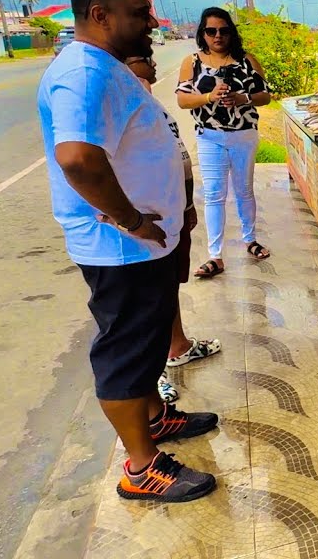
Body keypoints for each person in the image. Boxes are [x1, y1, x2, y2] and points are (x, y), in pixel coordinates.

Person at [38, 0, 218, 503]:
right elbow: (77, 159)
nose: (152, 22)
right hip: (121, 247)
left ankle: (155, 418)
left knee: (149, 338)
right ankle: (141, 468)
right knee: (125, 353)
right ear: (100, 15)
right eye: (139, 14)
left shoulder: (105, 66)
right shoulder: (83, 74)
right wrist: (133, 220)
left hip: (144, 243)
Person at [124, 53, 223, 404]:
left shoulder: (147, 100)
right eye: (143, 58)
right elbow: (92, 165)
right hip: (142, 224)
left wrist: (186, 205)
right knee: (143, 302)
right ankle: (151, 379)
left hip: (169, 214)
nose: (153, 63)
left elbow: (174, 153)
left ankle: (177, 346)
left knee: (166, 290)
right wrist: (127, 219)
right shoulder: (119, 103)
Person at [176, 7, 272, 279]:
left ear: (231, 32)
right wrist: (209, 97)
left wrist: (243, 98)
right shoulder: (192, 62)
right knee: (213, 195)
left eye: (223, 30)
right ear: (202, 33)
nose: (217, 36)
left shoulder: (247, 60)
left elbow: (266, 96)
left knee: (244, 190)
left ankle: (250, 239)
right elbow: (182, 100)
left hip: (244, 135)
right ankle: (215, 255)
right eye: (211, 31)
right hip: (210, 136)